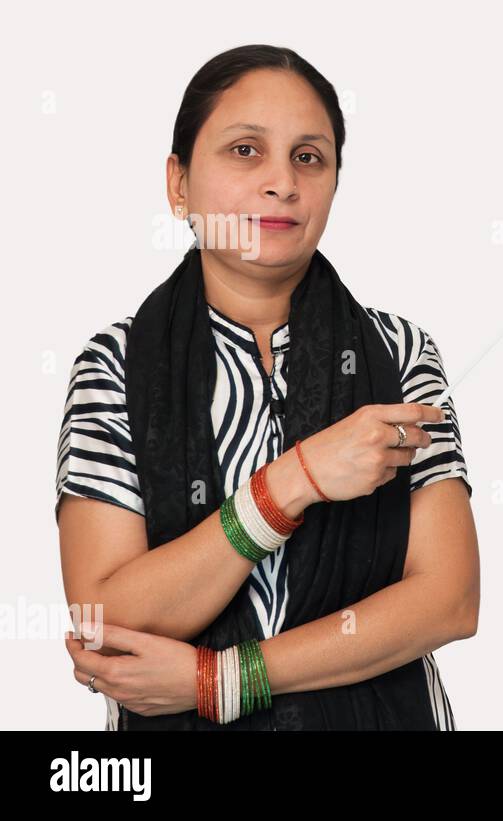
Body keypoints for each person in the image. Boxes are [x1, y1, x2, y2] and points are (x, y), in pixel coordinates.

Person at [55, 44, 479, 730]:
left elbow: (448, 599)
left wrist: (220, 678)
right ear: (179, 183)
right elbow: (107, 617)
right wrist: (294, 481)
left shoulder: (397, 354)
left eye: (308, 157)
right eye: (245, 150)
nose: (281, 181)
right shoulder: (115, 365)